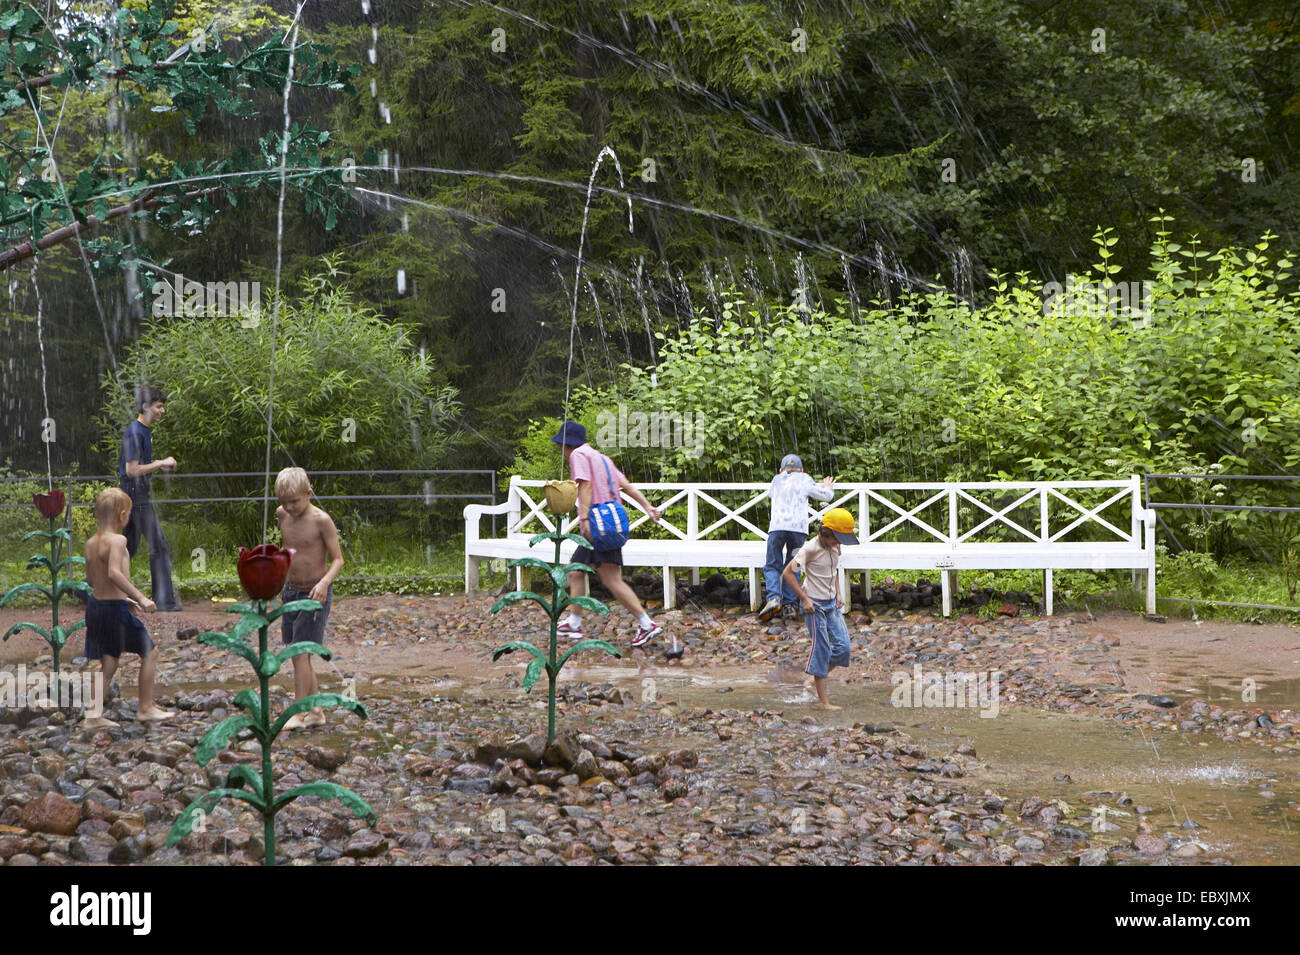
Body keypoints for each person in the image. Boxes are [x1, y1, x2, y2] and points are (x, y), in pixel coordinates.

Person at [551, 421, 667, 648]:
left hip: (597, 524)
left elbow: (585, 487)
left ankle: (646, 624)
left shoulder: (579, 456)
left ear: (567, 444)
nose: (561, 452)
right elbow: (628, 487)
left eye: (561, 446)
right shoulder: (602, 458)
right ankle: (574, 622)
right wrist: (648, 507)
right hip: (612, 521)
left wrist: (583, 519)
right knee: (576, 571)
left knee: (609, 579)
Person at [82, 488, 174, 727]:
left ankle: (93, 716)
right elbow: (113, 573)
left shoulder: (90, 543)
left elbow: (93, 581)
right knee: (150, 652)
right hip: (113, 611)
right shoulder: (118, 540)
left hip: (96, 607)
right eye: (129, 514)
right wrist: (140, 597)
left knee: (110, 660)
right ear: (122, 515)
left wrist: (125, 598)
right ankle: (145, 708)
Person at [275, 467, 344, 730]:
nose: (289, 507)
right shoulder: (283, 514)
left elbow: (338, 559)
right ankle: (316, 711)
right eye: (283, 502)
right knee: (297, 654)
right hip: (291, 590)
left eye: (294, 501)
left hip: (315, 593)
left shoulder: (321, 520)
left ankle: (298, 712)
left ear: (308, 493)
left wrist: (325, 582)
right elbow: (288, 548)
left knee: (301, 653)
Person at [782, 507, 858, 711]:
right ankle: (823, 702)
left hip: (832, 603)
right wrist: (804, 599)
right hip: (814, 606)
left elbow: (832, 571)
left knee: (843, 648)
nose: (839, 543)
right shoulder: (809, 549)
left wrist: (838, 593)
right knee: (822, 649)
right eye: (837, 538)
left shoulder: (836, 546)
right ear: (826, 533)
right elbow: (787, 574)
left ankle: (814, 675)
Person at [118, 386, 182, 611]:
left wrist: (157, 466)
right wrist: (161, 462)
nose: (162, 411)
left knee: (125, 548)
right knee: (159, 545)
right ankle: (164, 601)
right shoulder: (135, 432)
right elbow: (131, 470)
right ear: (145, 407)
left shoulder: (142, 430)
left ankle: (89, 589)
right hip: (134, 496)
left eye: (162, 406)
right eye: (158, 406)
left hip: (134, 495)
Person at [759, 454, 834, 621]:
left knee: (772, 565)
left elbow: (771, 495)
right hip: (797, 531)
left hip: (777, 529)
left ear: (781, 469)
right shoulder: (805, 479)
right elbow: (826, 497)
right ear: (801, 469)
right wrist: (827, 486)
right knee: (793, 565)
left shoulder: (776, 480)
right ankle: (789, 605)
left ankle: (773, 598)